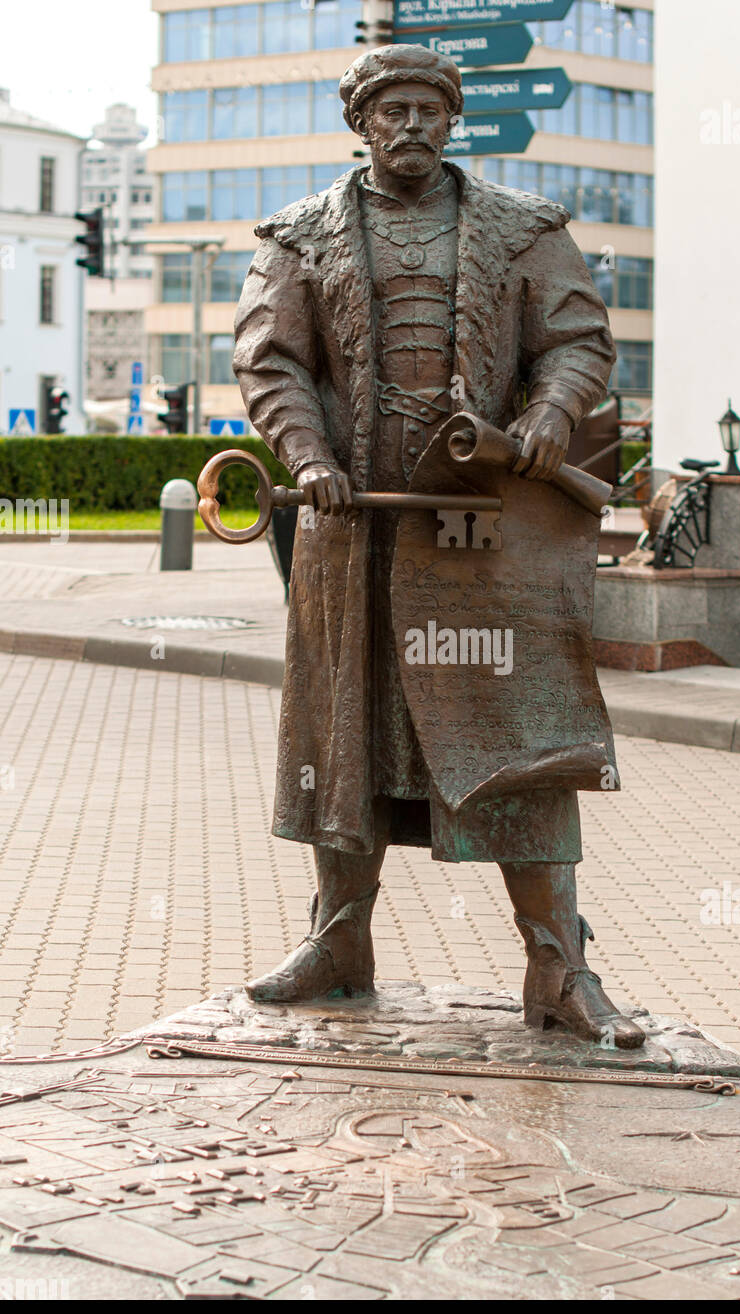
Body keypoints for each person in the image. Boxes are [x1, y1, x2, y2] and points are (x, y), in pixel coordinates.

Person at [232, 44, 645, 1048]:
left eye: (428, 108)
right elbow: (269, 358)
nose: (410, 124)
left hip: (483, 536)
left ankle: (559, 967)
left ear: (451, 120)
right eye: (391, 108)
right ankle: (338, 942)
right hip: (355, 532)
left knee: (518, 740)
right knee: (346, 737)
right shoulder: (294, 237)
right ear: (359, 123)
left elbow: (579, 341)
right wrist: (307, 451)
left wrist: (549, 413)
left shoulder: (520, 229)